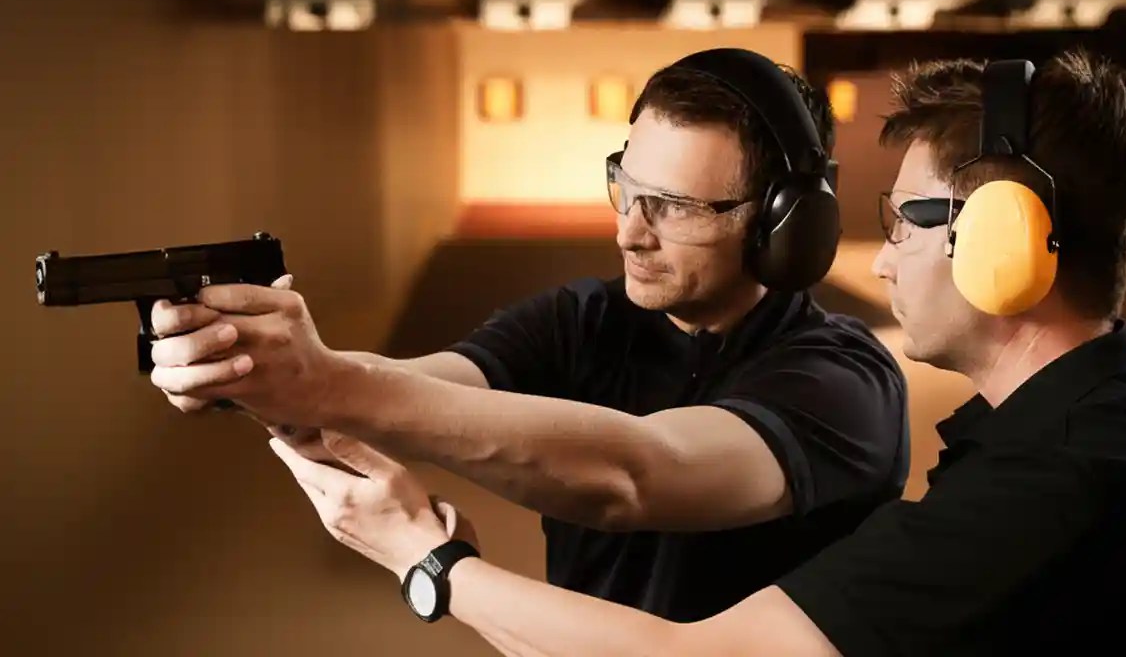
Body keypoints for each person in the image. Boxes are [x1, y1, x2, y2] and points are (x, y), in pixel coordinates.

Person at [267, 48, 1126, 656]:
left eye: (906, 214)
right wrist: (289, 376)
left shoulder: (1053, 482)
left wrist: (424, 555)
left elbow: (642, 495)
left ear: (1001, 238)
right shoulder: (1066, 430)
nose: (888, 250)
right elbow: (415, 392)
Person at [147, 47, 910, 622]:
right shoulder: (585, 319)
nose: (627, 232)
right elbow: (416, 388)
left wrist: (327, 385)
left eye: (671, 206)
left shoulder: (845, 384)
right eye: (626, 187)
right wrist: (254, 365)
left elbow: (634, 475)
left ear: (784, 225)